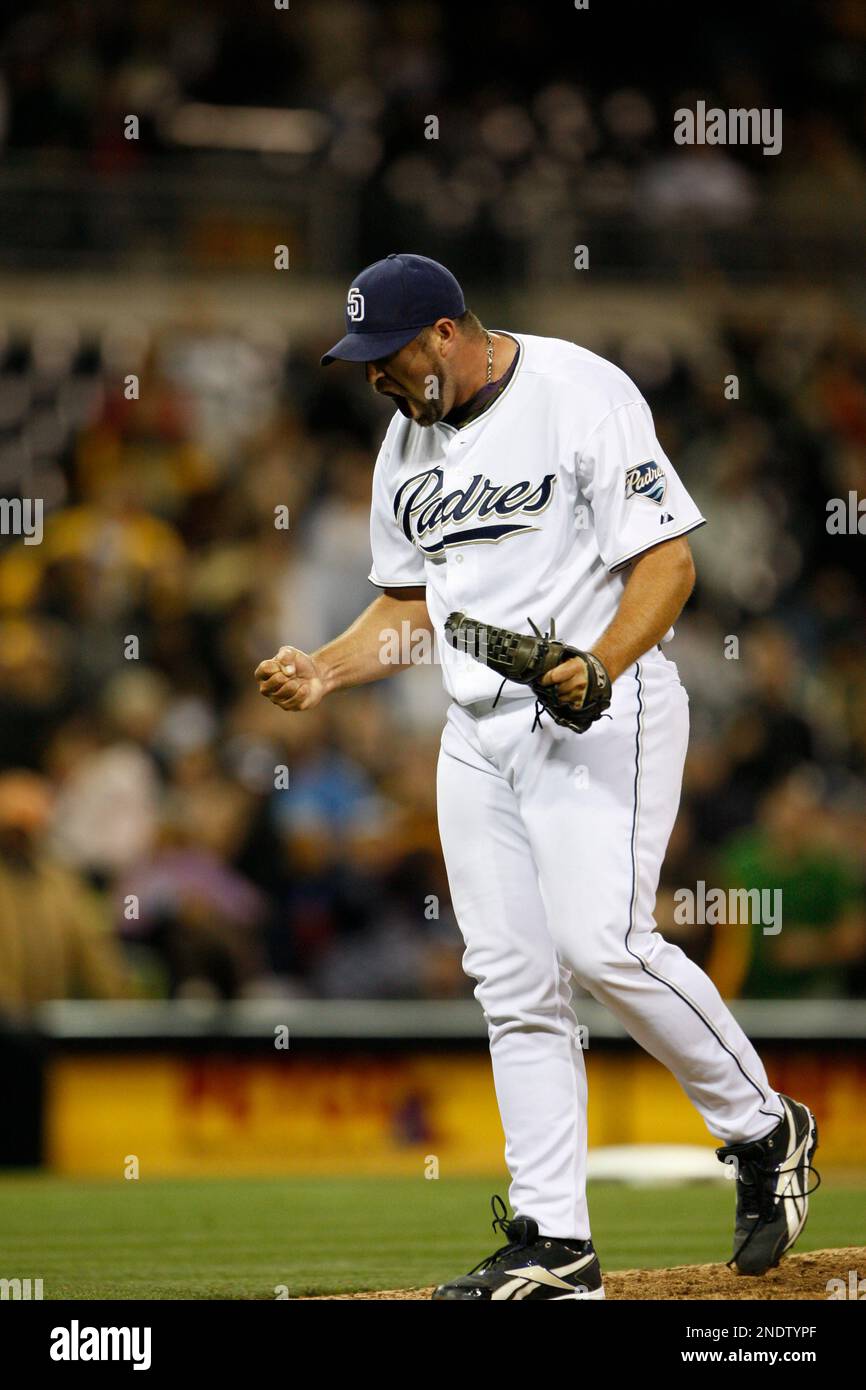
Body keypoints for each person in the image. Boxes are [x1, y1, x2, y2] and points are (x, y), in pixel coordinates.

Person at [255, 253, 818, 1301]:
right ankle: (556, 1244)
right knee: (512, 984)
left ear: (443, 333)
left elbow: (668, 563)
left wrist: (598, 662)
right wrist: (323, 667)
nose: (374, 377)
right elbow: (409, 604)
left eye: (387, 356)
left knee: (600, 941)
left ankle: (760, 1123)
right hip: (476, 728)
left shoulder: (576, 389)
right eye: (362, 361)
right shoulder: (402, 444)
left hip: (606, 701)